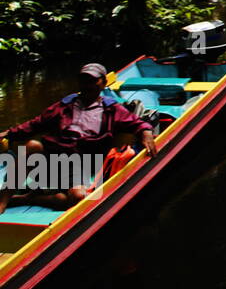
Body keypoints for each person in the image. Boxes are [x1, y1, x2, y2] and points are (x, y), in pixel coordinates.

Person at [0, 63, 156, 212]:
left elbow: (137, 123)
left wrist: (146, 133)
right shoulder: (66, 105)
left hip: (79, 163)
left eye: (93, 81)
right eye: (84, 81)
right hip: (53, 156)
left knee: (78, 197)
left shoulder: (111, 109)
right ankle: (3, 201)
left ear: (103, 83)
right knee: (32, 145)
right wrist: (8, 133)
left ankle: (28, 199)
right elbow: (36, 124)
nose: (87, 85)